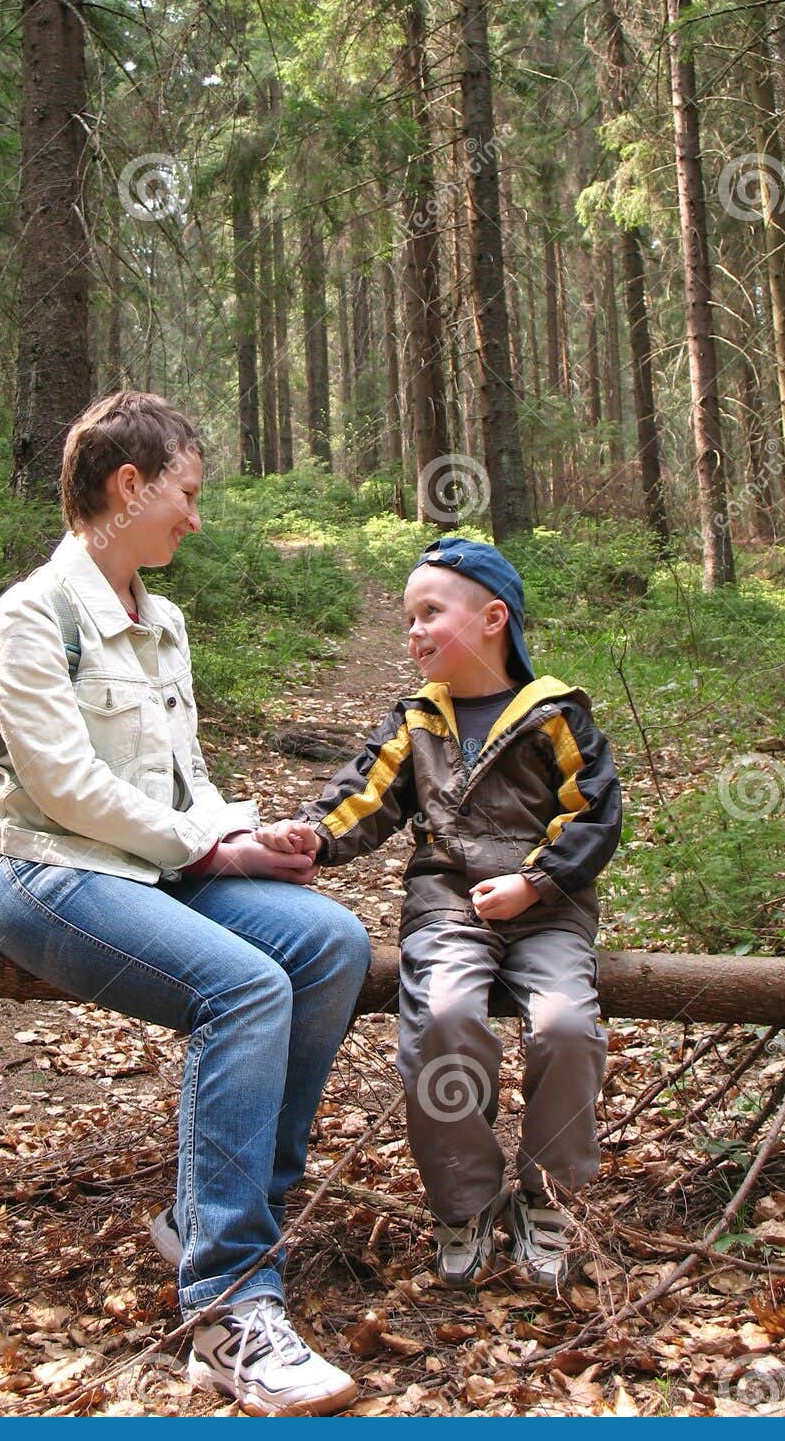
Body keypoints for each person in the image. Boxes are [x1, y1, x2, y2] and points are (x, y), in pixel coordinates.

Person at [0, 391, 369, 1415]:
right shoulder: (30, 617)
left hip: (149, 864)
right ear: (128, 484)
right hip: (41, 871)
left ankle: (219, 1222)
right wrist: (209, 843)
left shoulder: (166, 619)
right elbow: (63, 790)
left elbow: (176, 785)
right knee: (242, 986)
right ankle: (229, 1306)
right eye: (187, 492)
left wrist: (243, 830)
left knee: (329, 944)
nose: (196, 516)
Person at [259, 536, 622, 1294]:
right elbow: (365, 793)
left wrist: (535, 882)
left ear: (494, 618)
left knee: (564, 1023)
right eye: (407, 618)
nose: (415, 631)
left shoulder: (554, 714)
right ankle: (463, 1203)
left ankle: (549, 1200)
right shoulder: (419, 720)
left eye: (431, 612)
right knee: (445, 1016)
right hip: (446, 907)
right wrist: (312, 835)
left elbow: (593, 816)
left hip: (547, 913)